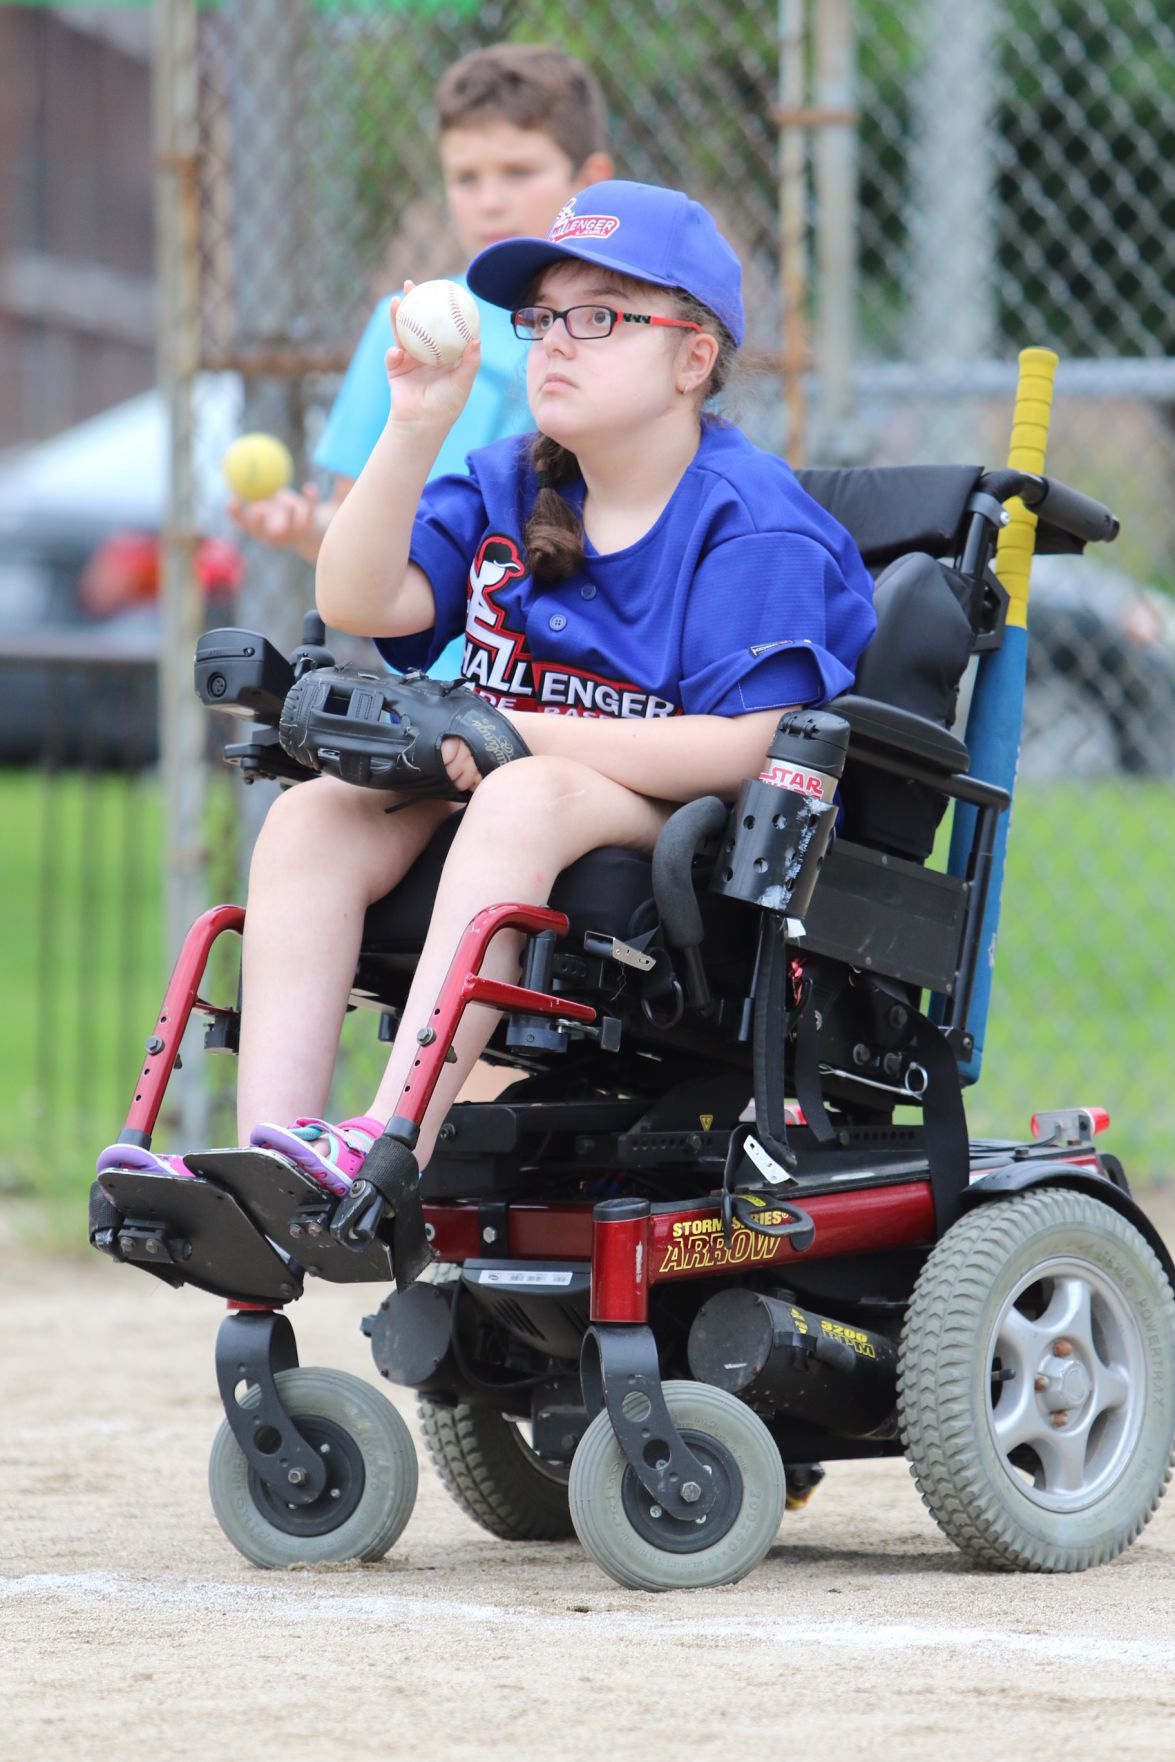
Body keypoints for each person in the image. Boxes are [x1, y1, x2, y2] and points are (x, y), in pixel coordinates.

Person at [100, 180, 876, 1197]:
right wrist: (414, 425)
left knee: (523, 791)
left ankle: (389, 1141)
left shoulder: (748, 517)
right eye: (543, 318)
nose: (554, 342)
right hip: (507, 783)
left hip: (680, 824)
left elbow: (747, 745)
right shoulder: (508, 478)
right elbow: (357, 598)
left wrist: (515, 730)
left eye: (599, 317)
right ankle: (269, 1167)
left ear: (693, 359)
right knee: (312, 815)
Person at [226, 43, 614, 621]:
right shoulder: (404, 325)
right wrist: (305, 527)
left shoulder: (619, 333)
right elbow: (360, 531)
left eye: (518, 172)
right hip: (431, 667)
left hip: (570, 657)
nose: (489, 202)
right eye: (465, 178)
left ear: (591, 179)